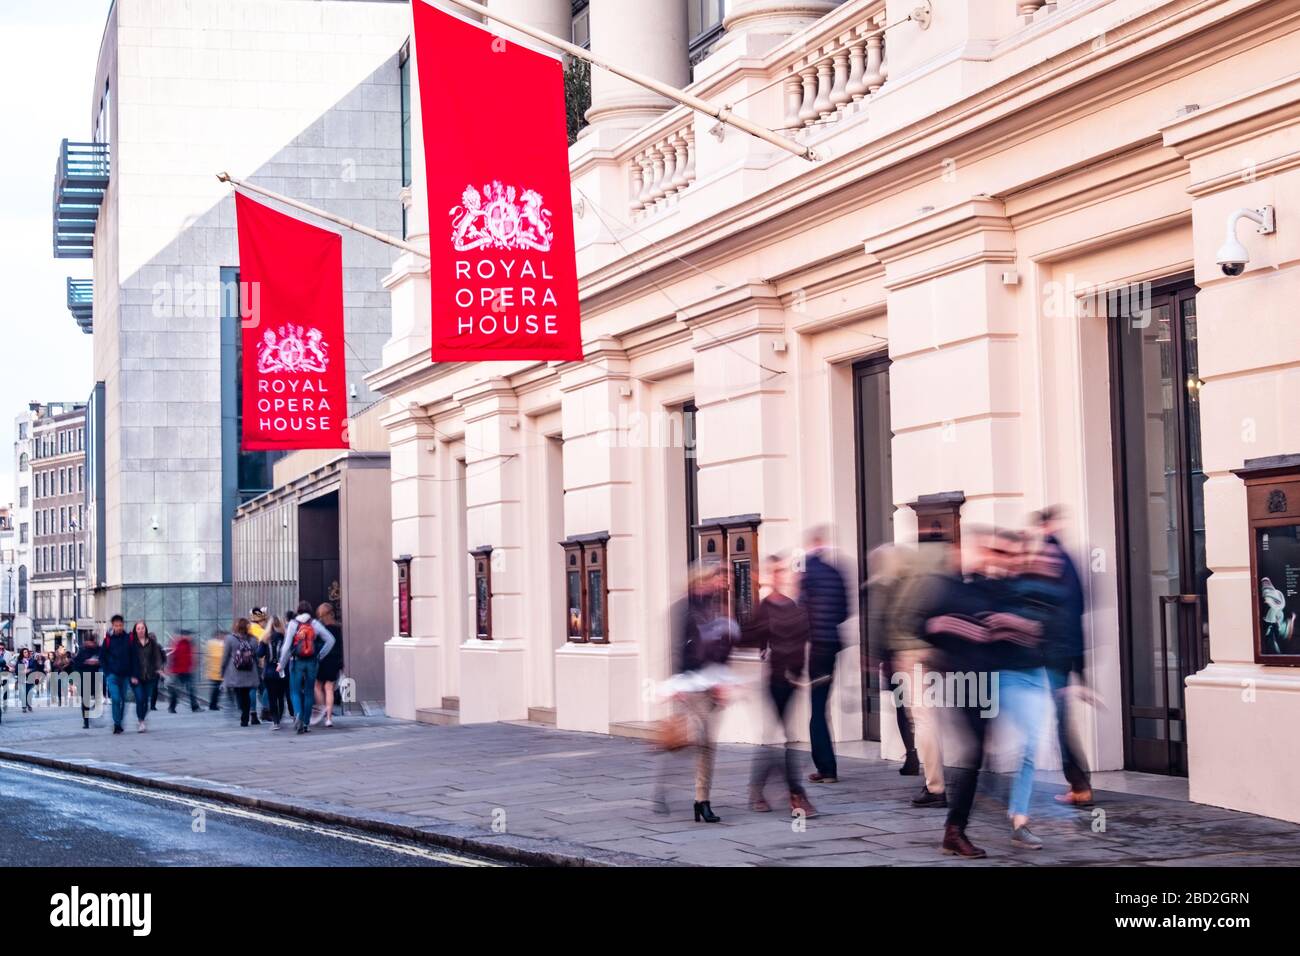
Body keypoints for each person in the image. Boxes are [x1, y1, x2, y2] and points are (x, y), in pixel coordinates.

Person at [920, 530, 1044, 859]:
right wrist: (955, 629)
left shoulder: (992, 588)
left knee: (978, 756)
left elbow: (1012, 629)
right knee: (973, 754)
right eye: (993, 551)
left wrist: (1018, 628)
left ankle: (959, 826)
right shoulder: (949, 587)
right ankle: (955, 830)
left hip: (986, 679)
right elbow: (925, 626)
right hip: (962, 680)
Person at [739, 554, 816, 818]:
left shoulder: (793, 605)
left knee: (777, 739)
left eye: (783, 570)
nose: (782, 575)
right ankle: (796, 794)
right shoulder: (766, 608)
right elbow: (747, 637)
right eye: (776, 571)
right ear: (766, 577)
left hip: (794, 679)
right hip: (775, 681)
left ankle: (757, 788)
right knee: (785, 740)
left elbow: (805, 637)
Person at [1032, 507, 1095, 807]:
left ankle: (1079, 785)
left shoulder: (1049, 558)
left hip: (1054, 652)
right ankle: (1079, 783)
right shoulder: (1065, 558)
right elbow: (1077, 609)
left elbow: (1054, 613)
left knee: (1060, 719)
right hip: (1066, 650)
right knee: (1061, 718)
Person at [662, 563, 735, 823]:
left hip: (711, 686)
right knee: (696, 741)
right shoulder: (684, 609)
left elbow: (720, 647)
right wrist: (678, 682)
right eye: (716, 578)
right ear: (701, 580)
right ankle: (668, 787)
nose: (720, 582)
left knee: (707, 744)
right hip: (691, 684)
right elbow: (679, 649)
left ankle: (702, 799)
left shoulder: (714, 608)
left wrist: (723, 680)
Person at [798, 526, 849, 784]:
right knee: (823, 702)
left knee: (817, 708)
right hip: (832, 646)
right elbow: (845, 611)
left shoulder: (807, 572)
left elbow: (800, 608)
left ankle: (826, 767)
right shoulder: (836, 572)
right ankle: (827, 766)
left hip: (816, 647)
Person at [864, 544, 919, 776]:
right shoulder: (913, 584)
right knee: (916, 706)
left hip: (893, 657)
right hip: (915, 654)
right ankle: (914, 754)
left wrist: (874, 656)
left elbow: (878, 622)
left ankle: (912, 755)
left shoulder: (881, 586)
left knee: (902, 707)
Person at [277, 601, 335, 735]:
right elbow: (330, 640)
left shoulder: (292, 624)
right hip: (312, 662)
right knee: (309, 692)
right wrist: (320, 655)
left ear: (298, 611)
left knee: (295, 691)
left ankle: (298, 714)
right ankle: (306, 723)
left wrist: (281, 663)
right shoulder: (314, 624)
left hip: (296, 661)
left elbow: (286, 647)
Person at [222, 619, 263, 728]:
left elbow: (225, 656)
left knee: (239, 694)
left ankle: (243, 712)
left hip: (235, 672)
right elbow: (256, 655)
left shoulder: (230, 639)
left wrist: (222, 669)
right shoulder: (253, 640)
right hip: (250, 671)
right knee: (246, 695)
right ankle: (245, 717)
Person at [129, 621, 164, 733]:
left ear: (146, 629)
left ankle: (142, 719)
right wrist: (131, 675)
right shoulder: (132, 643)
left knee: (146, 700)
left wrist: (159, 669)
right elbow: (128, 660)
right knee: (140, 699)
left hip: (150, 676)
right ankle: (141, 722)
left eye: (142, 628)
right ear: (135, 630)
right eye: (138, 628)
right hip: (136, 677)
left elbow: (157, 657)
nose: (140, 630)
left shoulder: (152, 643)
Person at [313, 603, 344, 728]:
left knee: (317, 686)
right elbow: (340, 645)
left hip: (323, 659)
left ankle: (322, 709)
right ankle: (329, 719)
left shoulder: (321, 628)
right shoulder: (338, 628)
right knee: (329, 688)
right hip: (335, 660)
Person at [100, 615, 133, 734]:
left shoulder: (129, 638)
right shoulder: (108, 640)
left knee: (123, 700)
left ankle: (119, 722)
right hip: (112, 675)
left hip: (125, 675)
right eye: (116, 625)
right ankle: (117, 724)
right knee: (116, 698)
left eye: (120, 625)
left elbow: (133, 655)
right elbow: (102, 657)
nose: (118, 627)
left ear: (123, 625)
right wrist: (107, 672)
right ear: (112, 626)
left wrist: (131, 672)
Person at [260, 616, 291, 729]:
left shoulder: (265, 638)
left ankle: (275, 721)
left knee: (272, 697)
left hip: (269, 671)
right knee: (280, 697)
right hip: (282, 671)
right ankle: (279, 717)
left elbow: (259, 653)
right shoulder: (285, 637)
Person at [71, 636, 102, 730]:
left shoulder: (98, 651)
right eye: (87, 642)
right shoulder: (82, 651)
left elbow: (104, 660)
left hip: (96, 677)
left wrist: (97, 663)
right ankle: (86, 721)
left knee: (97, 697)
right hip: (84, 678)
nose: (89, 644)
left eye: (91, 642)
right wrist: (86, 662)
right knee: (85, 701)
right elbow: (76, 665)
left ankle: (94, 710)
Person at [166, 629, 201, 713]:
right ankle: (172, 707)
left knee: (190, 690)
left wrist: (193, 665)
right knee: (180, 691)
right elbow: (173, 657)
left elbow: (191, 656)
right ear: (184, 635)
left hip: (186, 670)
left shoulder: (188, 644)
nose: (190, 637)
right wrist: (170, 668)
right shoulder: (179, 644)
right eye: (188, 635)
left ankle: (193, 707)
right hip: (180, 671)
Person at [249, 608, 272, 720]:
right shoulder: (262, 632)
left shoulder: (246, 628)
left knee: (252, 688)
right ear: (261, 620)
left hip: (247, 663)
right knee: (267, 687)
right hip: (260, 664)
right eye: (264, 621)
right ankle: (265, 710)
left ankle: (252, 713)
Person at [205, 630, 226, 710]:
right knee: (217, 689)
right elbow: (220, 657)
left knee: (216, 689)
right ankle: (213, 705)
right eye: (223, 636)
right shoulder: (218, 644)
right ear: (218, 636)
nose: (224, 638)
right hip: (217, 671)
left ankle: (213, 704)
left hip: (213, 670)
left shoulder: (210, 643)